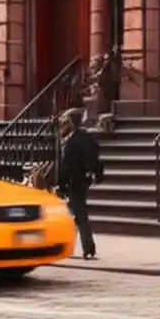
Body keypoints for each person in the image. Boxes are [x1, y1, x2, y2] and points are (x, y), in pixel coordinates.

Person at [57, 108, 103, 260]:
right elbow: (96, 158)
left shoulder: (72, 142)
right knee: (76, 215)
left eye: (65, 120)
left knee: (79, 216)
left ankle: (87, 248)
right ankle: (79, 247)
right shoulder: (86, 138)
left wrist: (61, 184)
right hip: (82, 181)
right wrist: (97, 174)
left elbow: (66, 166)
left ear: (71, 122)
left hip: (74, 183)